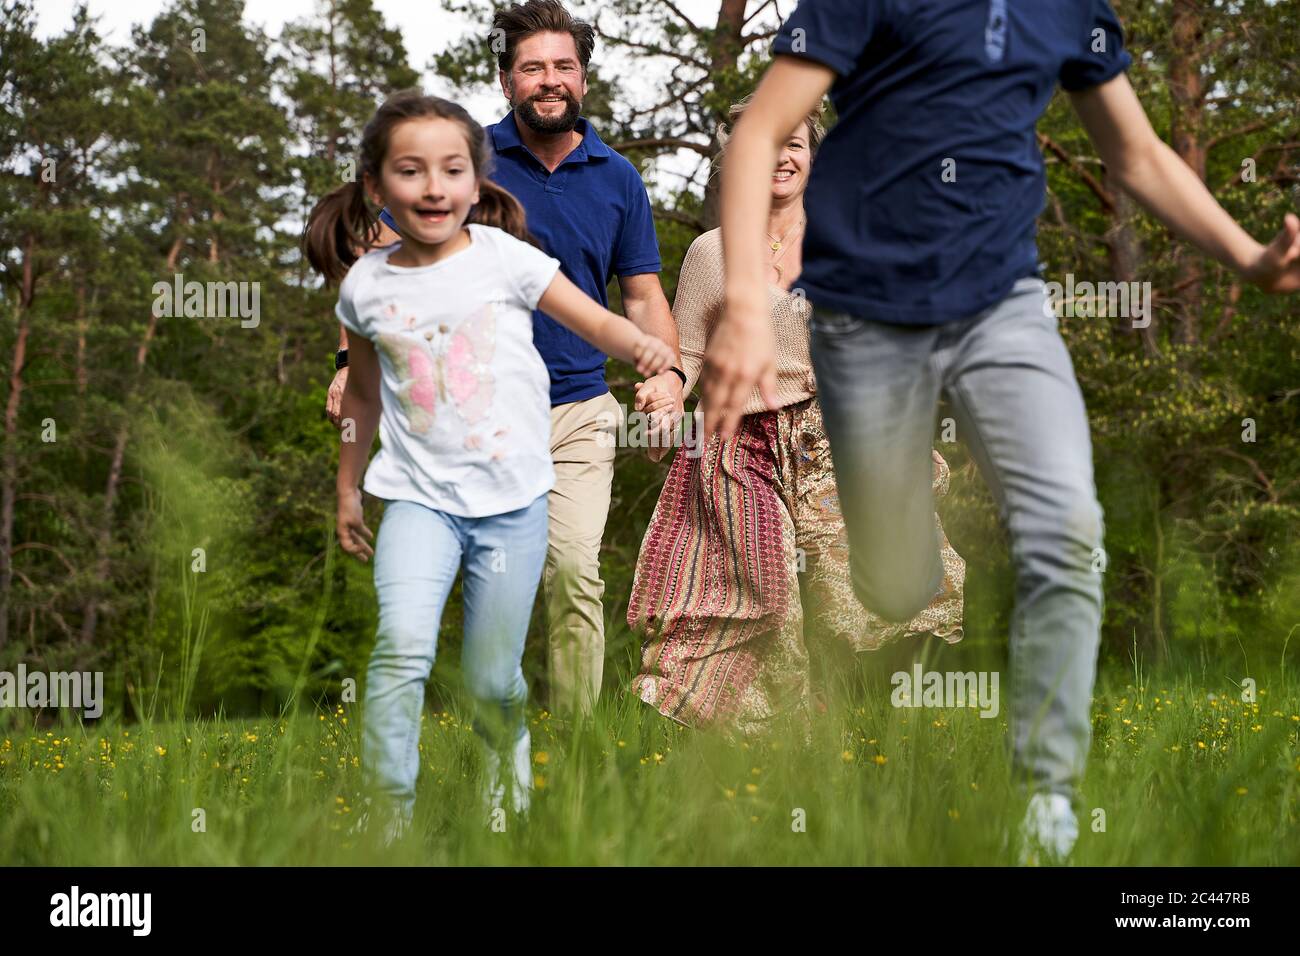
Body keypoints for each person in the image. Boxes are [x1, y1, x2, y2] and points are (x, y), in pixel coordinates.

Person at [702, 0, 1300, 861]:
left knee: (1067, 527)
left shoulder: (1068, 13)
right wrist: (750, 315)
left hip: (1003, 307)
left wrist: (1246, 254)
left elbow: (1135, 153)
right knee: (898, 587)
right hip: (865, 315)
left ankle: (1046, 802)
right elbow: (761, 131)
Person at [303, 90, 674, 838]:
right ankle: (388, 821)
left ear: (477, 181)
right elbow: (367, 399)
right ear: (378, 187)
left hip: (511, 506)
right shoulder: (366, 286)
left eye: (451, 170)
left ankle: (506, 800)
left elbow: (594, 315)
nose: (433, 187)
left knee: (488, 677)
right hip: (417, 500)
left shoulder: (507, 258)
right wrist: (348, 490)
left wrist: (646, 352)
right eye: (411, 171)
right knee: (401, 647)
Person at [328, 0, 684, 719]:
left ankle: (580, 746)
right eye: (532, 68)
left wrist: (669, 378)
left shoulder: (616, 178)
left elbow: (642, 297)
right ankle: (495, 724)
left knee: (575, 573)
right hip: (476, 413)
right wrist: (345, 362)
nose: (549, 80)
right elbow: (376, 251)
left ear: (583, 78)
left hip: (581, 409)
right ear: (505, 81)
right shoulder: (467, 165)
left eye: (563, 66)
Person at [628, 96, 964, 734]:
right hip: (736, 442)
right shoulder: (710, 252)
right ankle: (774, 751)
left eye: (794, 143)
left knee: (855, 593)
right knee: (769, 586)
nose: (780, 157)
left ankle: (861, 736)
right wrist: (668, 389)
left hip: (833, 438)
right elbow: (690, 353)